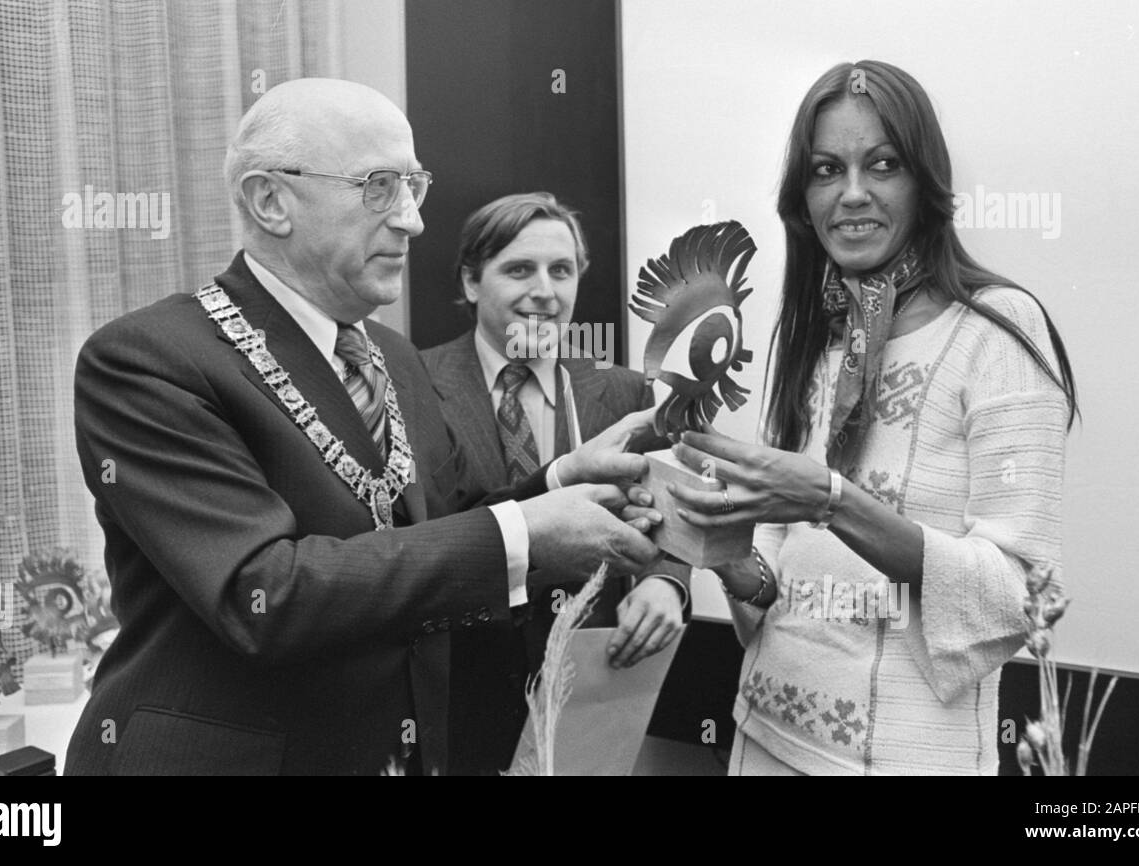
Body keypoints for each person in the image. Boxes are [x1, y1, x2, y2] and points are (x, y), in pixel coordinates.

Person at [64, 79, 663, 776]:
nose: (411, 221)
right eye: (379, 186)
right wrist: (531, 530)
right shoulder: (151, 360)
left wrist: (561, 480)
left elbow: (441, 525)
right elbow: (264, 593)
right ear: (270, 201)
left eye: (415, 187)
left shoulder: (394, 357)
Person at [652, 60, 1077, 775]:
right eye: (826, 169)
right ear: (803, 195)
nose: (851, 194)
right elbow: (779, 591)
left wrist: (831, 500)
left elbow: (1016, 594)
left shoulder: (999, 332)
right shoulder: (816, 338)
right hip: (760, 739)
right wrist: (726, 547)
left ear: (925, 183)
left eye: (882, 165)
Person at [421, 192, 688, 774]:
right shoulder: (413, 383)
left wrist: (667, 584)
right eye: (519, 269)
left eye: (561, 271)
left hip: (590, 683)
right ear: (471, 282)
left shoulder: (623, 393)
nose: (546, 290)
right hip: (459, 691)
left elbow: (669, 522)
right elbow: (423, 535)